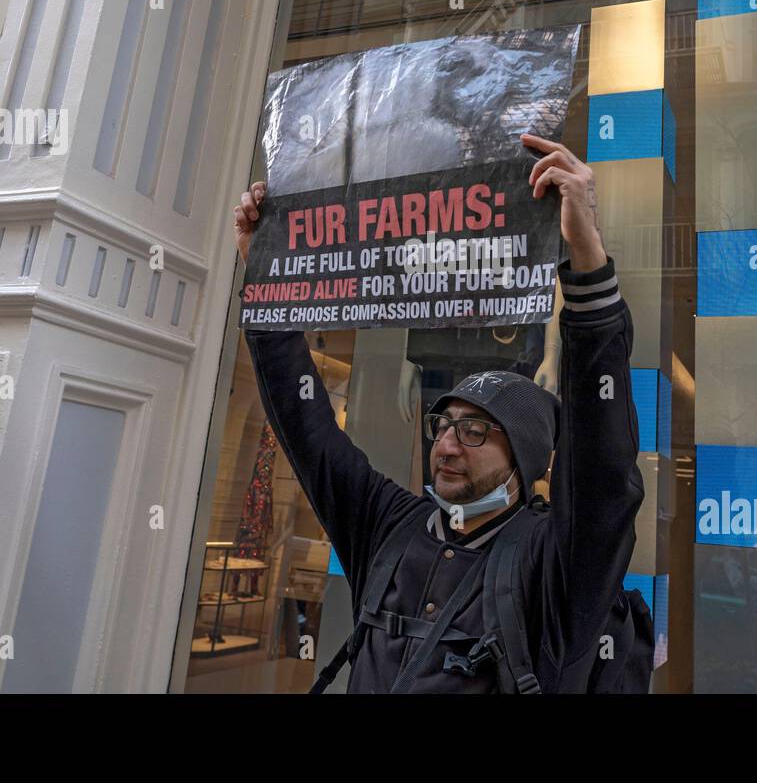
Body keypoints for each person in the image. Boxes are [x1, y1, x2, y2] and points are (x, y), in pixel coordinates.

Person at [232, 133, 643, 693]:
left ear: (525, 459)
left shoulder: (553, 566)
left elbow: (602, 470)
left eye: (476, 431)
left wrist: (587, 262)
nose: (446, 446)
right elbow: (311, 434)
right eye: (444, 425)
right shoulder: (388, 528)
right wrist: (268, 278)